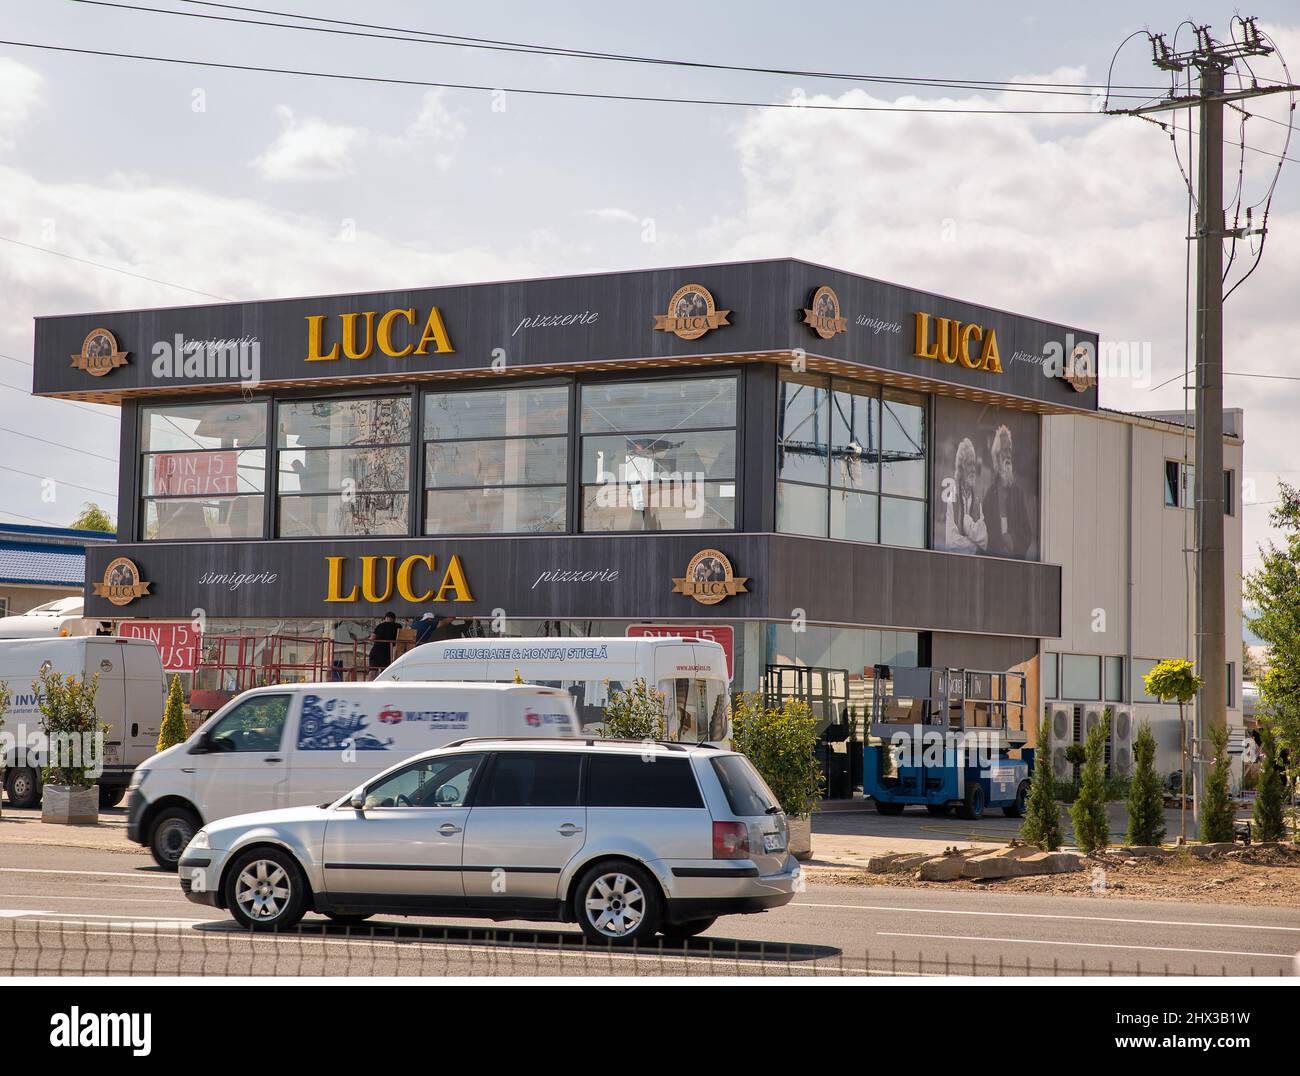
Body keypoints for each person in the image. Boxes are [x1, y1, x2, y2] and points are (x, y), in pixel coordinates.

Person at [981, 425, 1032, 559]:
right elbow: (982, 537)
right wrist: (1000, 540)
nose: (1008, 455)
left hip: (1014, 568)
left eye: (1010, 450)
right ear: (996, 456)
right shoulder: (989, 496)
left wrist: (1013, 542)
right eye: (1004, 450)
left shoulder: (1018, 494)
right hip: (993, 568)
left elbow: (1027, 534)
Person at [944, 437, 987, 553]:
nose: (973, 469)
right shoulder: (952, 499)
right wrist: (973, 544)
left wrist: (968, 526)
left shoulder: (977, 500)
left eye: (974, 464)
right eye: (969, 464)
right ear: (961, 469)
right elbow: (951, 542)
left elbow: (984, 540)